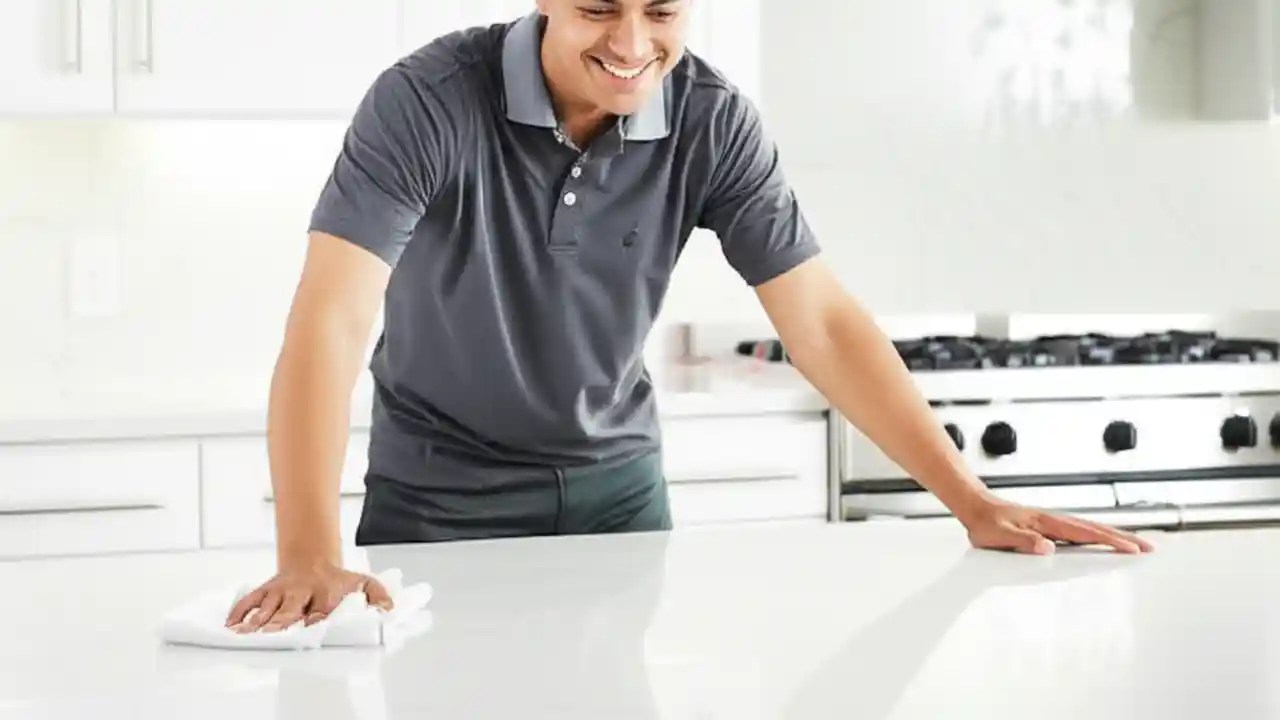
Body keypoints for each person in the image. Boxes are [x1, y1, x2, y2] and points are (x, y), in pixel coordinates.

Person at [225, 0, 1154, 634]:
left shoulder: (712, 119)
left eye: (661, 10)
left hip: (620, 497)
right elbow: (331, 321)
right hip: (439, 498)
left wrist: (972, 500)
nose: (633, 41)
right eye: (599, 8)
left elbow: (821, 322)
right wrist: (308, 552)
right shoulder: (426, 103)